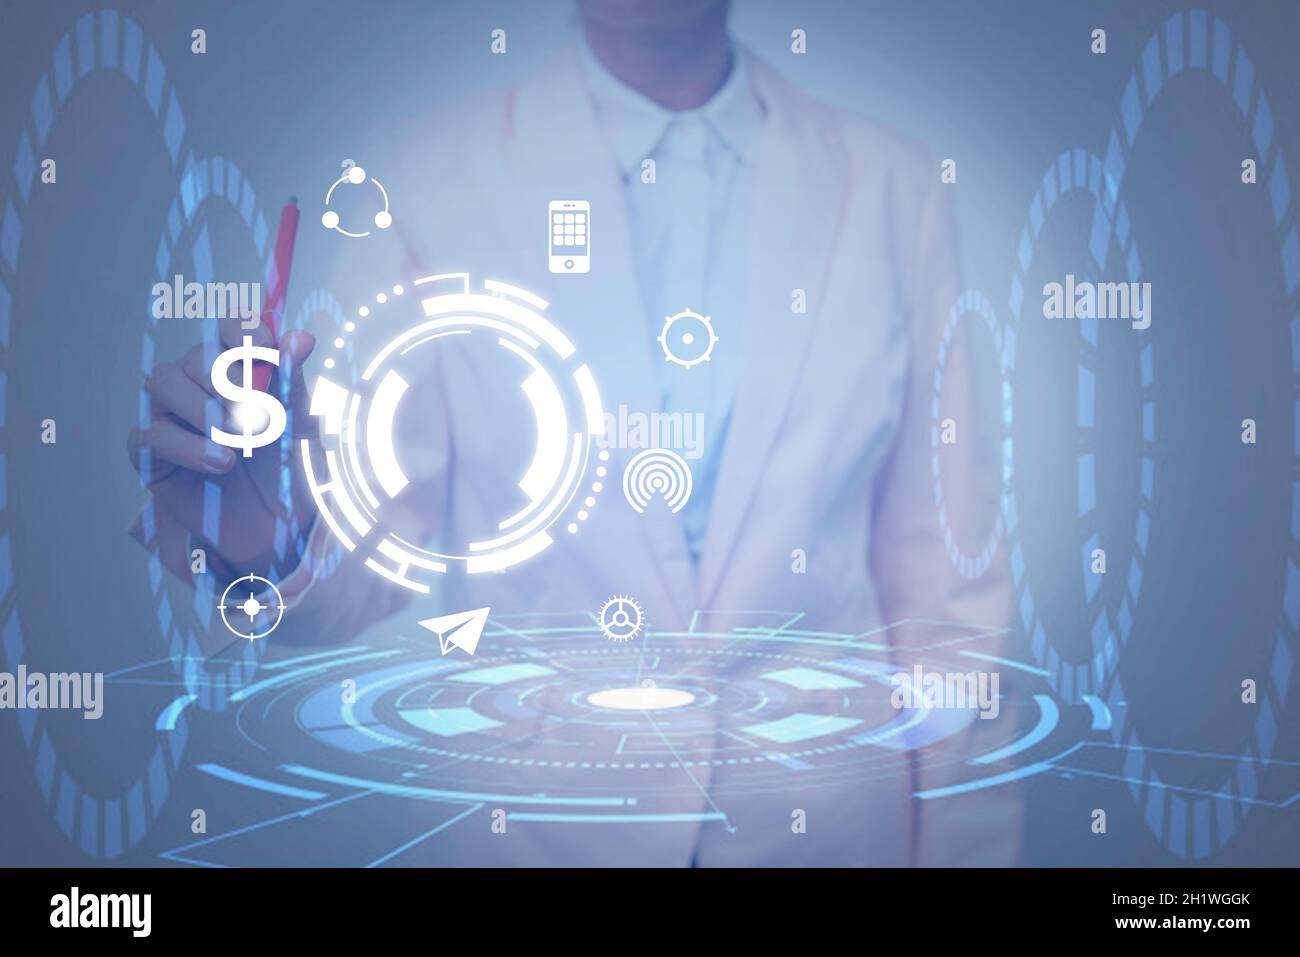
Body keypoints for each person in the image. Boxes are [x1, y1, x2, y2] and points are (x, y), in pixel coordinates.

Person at [127, 0, 1019, 866]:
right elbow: (376, 536)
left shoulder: (895, 188)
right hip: (537, 827)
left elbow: (948, 602)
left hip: (825, 831)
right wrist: (274, 541)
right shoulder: (430, 173)